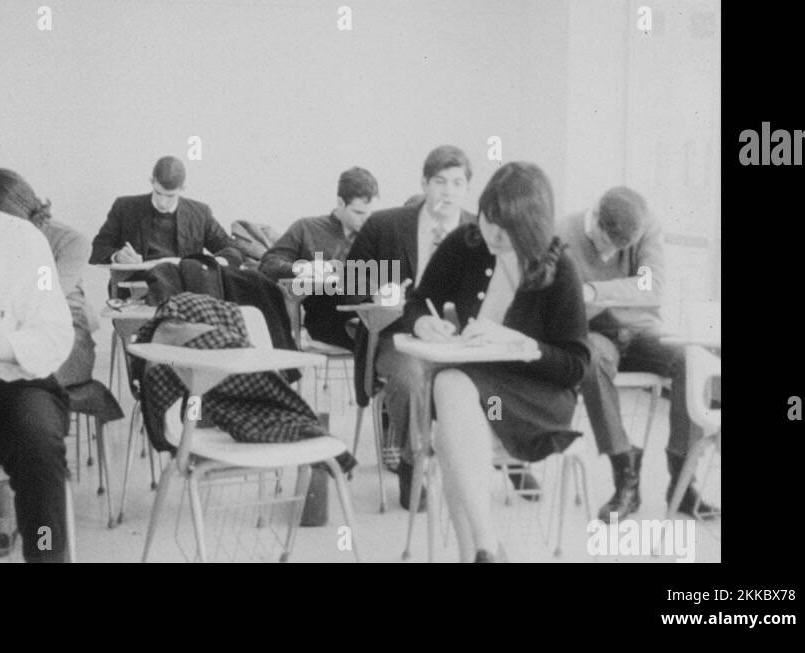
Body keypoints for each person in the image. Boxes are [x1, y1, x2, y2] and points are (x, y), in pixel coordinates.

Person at [394, 161, 590, 562]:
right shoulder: (465, 246)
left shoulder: (560, 269)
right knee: (450, 390)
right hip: (486, 402)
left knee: (451, 426)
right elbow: (416, 301)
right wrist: (425, 320)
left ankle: (478, 553)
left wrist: (520, 342)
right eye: (488, 219)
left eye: (509, 228)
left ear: (532, 228)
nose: (494, 234)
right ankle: (485, 548)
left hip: (534, 401)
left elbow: (575, 366)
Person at [347, 145, 538, 509]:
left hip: (465, 338)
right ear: (424, 183)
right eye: (439, 182)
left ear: (468, 188)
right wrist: (380, 291)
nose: (448, 191)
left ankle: (506, 452)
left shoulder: (481, 231)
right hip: (399, 335)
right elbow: (351, 283)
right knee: (408, 379)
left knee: (497, 381)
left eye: (457, 182)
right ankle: (412, 463)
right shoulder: (386, 225)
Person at [558, 187, 718, 521]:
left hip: (643, 331)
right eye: (608, 244)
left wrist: (592, 291)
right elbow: (563, 304)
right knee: (590, 361)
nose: (614, 253)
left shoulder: (647, 226)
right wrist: (615, 294)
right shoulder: (564, 233)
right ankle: (625, 477)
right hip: (597, 334)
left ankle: (682, 480)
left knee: (690, 358)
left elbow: (651, 287)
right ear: (596, 221)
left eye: (623, 248)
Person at [0, 167, 103, 556]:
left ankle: (30, 516)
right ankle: (12, 514)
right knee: (3, 394)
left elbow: (45, 315)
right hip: (7, 353)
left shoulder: (68, 241)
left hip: (68, 343)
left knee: (28, 405)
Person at [0, 149, 75, 563]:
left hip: (12, 390)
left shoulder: (22, 241)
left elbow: (52, 337)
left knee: (39, 447)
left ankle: (46, 557)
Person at [259, 166, 379, 350]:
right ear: (340, 203)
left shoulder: (376, 233)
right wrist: (304, 268)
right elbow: (268, 264)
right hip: (327, 317)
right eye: (358, 213)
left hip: (372, 313)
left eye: (370, 214)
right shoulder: (306, 228)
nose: (366, 221)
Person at [89, 155, 242, 273]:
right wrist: (117, 255)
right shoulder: (125, 207)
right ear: (152, 181)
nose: (162, 202)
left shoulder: (200, 214)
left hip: (184, 289)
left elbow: (232, 250)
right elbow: (97, 248)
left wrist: (216, 262)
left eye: (170, 196)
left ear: (183, 188)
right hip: (135, 288)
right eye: (158, 193)